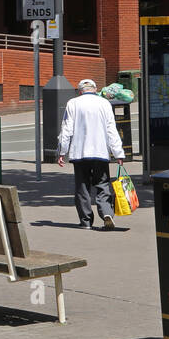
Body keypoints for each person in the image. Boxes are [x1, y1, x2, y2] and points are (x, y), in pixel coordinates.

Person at [57, 78, 126, 230]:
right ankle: (106, 213)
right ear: (95, 89)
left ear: (80, 91)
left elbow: (66, 129)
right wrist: (118, 153)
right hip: (100, 152)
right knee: (102, 184)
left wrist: (62, 152)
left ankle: (86, 221)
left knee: (82, 188)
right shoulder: (104, 103)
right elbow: (111, 130)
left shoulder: (73, 103)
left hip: (79, 153)